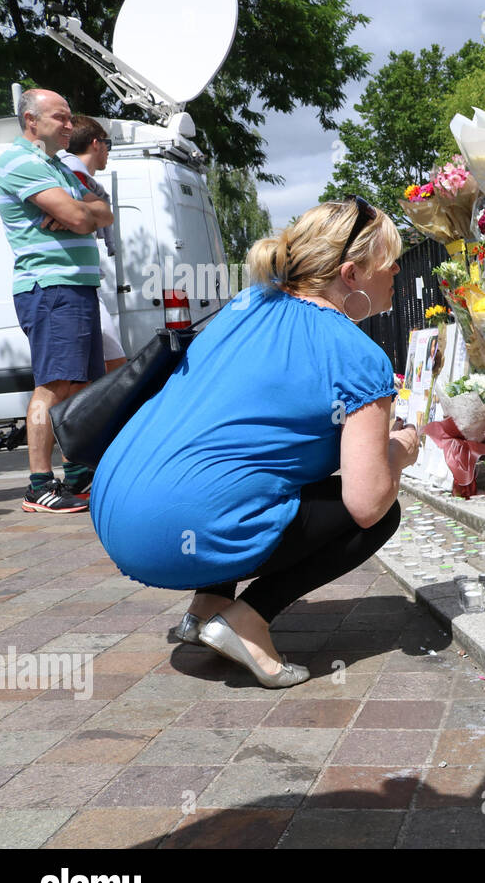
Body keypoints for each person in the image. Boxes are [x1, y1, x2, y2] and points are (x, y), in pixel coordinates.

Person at [89, 198, 416, 688]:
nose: (396, 269)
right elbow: (366, 503)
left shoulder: (245, 306)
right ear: (351, 274)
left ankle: (207, 607)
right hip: (175, 532)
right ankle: (248, 619)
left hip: (115, 512)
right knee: (381, 511)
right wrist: (400, 448)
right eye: (390, 257)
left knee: (245, 474)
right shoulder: (356, 354)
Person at [0, 89, 115, 513]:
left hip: (73, 288)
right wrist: (81, 215)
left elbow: (103, 212)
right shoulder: (19, 162)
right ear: (31, 121)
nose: (70, 125)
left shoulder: (55, 165)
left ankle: (78, 478)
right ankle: (38, 486)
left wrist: (81, 213)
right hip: (51, 288)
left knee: (82, 387)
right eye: (61, 118)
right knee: (56, 385)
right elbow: (85, 217)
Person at [60, 114, 127, 373]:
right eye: (107, 145)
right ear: (96, 143)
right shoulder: (68, 171)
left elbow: (101, 215)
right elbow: (85, 216)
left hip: (84, 285)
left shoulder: (82, 180)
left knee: (109, 368)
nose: (108, 152)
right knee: (72, 381)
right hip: (70, 286)